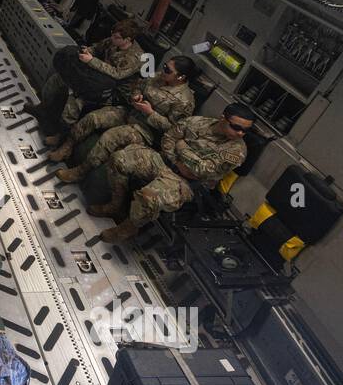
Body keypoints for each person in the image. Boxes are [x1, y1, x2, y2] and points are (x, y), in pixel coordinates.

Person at [91, 104, 254, 244]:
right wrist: (176, 160)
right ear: (223, 118)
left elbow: (202, 170)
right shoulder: (197, 122)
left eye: (245, 130)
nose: (240, 133)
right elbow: (168, 138)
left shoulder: (236, 150)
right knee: (119, 159)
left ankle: (129, 228)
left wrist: (182, 147)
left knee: (149, 197)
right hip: (166, 162)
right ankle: (115, 205)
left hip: (187, 183)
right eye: (236, 127)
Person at [51, 55, 198, 173]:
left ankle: (81, 171)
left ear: (181, 77)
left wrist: (150, 113)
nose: (164, 70)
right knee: (93, 118)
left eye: (168, 70)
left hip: (145, 130)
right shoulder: (159, 77)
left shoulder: (185, 101)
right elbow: (139, 86)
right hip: (130, 111)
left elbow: (173, 130)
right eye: (165, 66)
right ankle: (66, 146)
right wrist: (136, 95)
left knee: (110, 137)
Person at [27, 18, 147, 144]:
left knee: (76, 100)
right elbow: (97, 48)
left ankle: (60, 136)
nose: (112, 38)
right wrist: (87, 51)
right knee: (58, 79)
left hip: (114, 93)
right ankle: (43, 109)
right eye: (112, 33)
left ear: (127, 40)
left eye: (116, 37)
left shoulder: (135, 57)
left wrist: (91, 60)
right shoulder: (113, 42)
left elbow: (117, 74)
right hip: (98, 80)